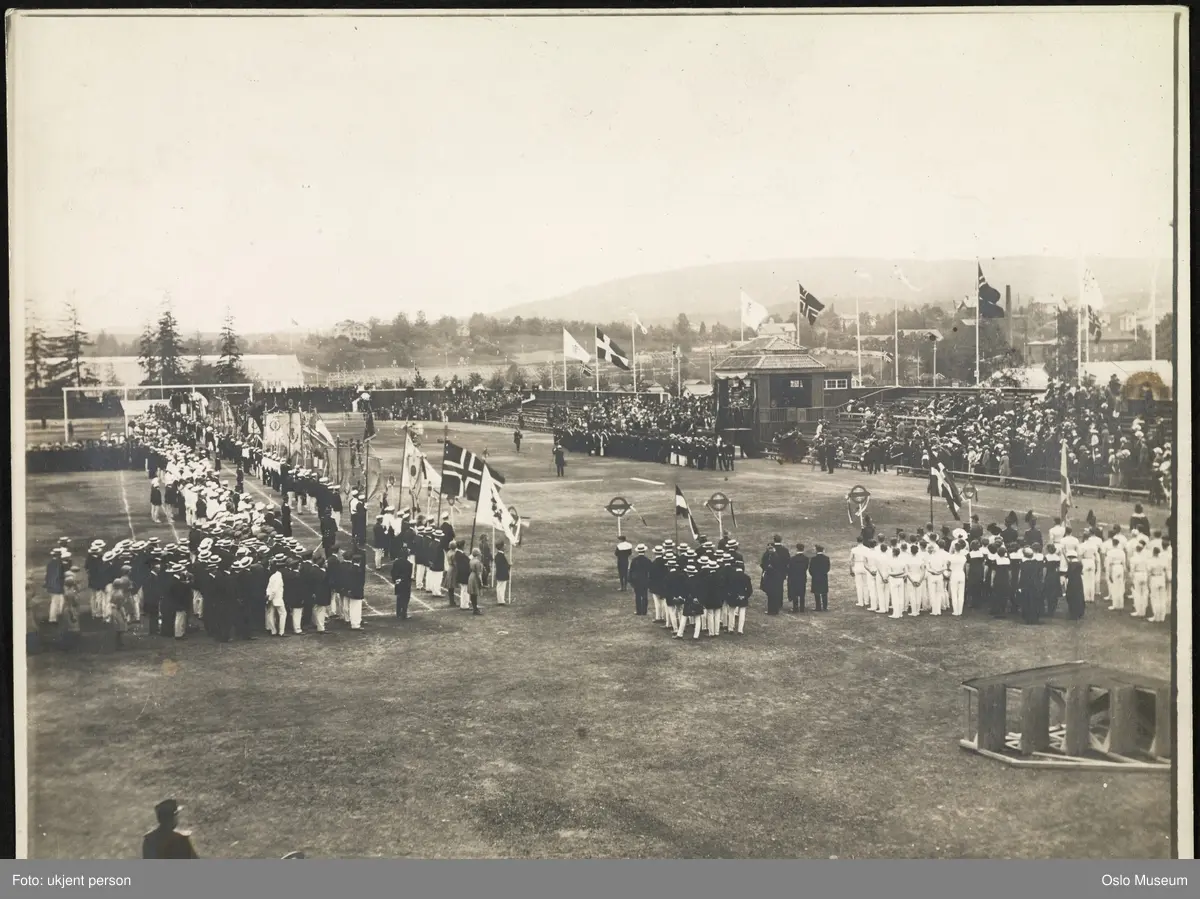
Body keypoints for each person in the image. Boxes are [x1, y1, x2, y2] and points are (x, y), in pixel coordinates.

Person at [629, 544, 652, 616]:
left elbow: (631, 571)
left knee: (638, 596)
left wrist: (630, 580)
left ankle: (639, 611)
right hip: (645, 579)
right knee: (645, 596)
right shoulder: (647, 560)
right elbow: (650, 571)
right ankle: (644, 611)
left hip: (636, 580)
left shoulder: (634, 560)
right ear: (644, 551)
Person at [1063, 550, 1086, 620]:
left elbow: (1068, 574)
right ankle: (1080, 611)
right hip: (1079, 581)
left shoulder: (1071, 564)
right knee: (1079, 595)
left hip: (1072, 581)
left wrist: (1065, 575)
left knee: (1071, 596)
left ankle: (1073, 612)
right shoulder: (1080, 563)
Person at [787, 543, 809, 613]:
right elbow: (805, 568)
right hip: (802, 578)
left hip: (794, 578)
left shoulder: (792, 559)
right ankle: (802, 608)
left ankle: (795, 608)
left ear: (796, 549)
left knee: (795, 593)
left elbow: (790, 569)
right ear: (803, 549)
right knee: (802, 593)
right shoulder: (806, 559)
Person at [809, 545, 831, 611]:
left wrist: (813, 575)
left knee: (817, 593)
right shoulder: (826, 558)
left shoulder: (813, 559)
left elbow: (810, 569)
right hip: (823, 577)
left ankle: (818, 607)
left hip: (816, 577)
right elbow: (828, 568)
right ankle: (825, 607)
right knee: (824, 592)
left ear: (817, 550)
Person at [493, 541, 511, 605]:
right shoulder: (500, 556)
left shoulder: (498, 555)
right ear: (501, 547)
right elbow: (502, 565)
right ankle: (501, 601)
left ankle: (501, 600)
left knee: (500, 587)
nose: (505, 546)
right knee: (501, 587)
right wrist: (508, 566)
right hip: (502, 574)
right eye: (504, 545)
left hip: (500, 573)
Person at [467, 549, 484, 616]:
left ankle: (475, 608)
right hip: (475, 577)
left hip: (471, 576)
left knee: (472, 593)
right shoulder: (477, 562)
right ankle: (475, 609)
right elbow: (479, 573)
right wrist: (481, 581)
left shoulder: (471, 560)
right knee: (475, 593)